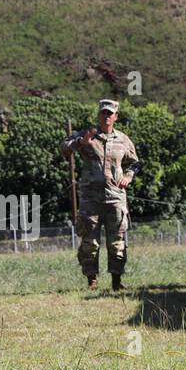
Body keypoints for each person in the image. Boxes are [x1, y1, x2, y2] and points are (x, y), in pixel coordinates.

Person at [60, 99, 140, 290]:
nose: (106, 116)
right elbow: (64, 148)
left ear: (116, 117)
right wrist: (80, 142)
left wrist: (128, 176)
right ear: (99, 115)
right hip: (91, 199)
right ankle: (92, 281)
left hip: (115, 197)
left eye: (110, 113)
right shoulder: (88, 135)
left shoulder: (123, 139)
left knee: (117, 242)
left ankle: (117, 281)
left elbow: (135, 163)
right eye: (103, 113)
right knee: (90, 242)